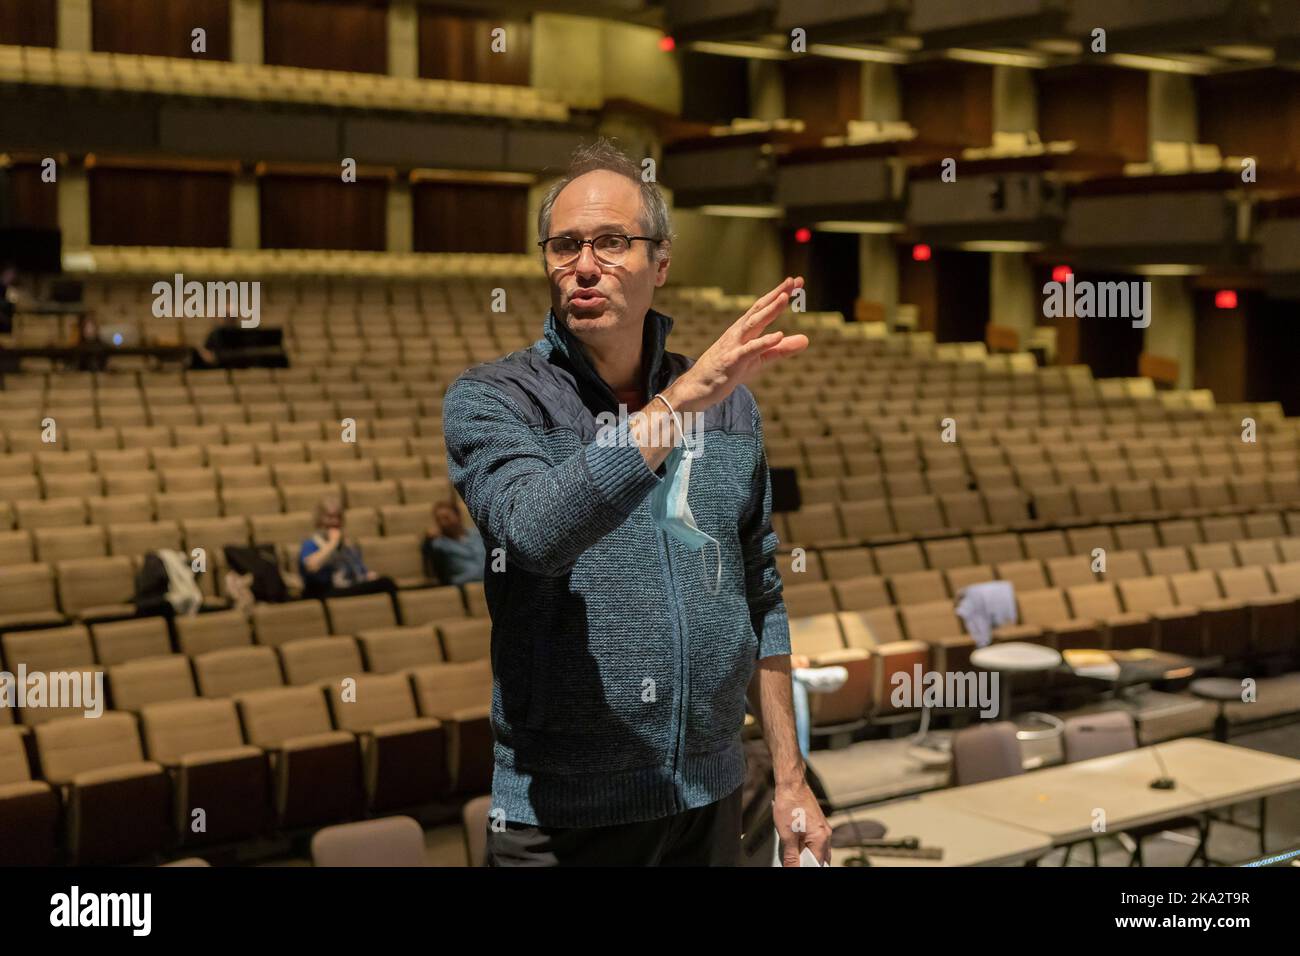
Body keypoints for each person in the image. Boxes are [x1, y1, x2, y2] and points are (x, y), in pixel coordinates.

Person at [442, 138, 827, 866]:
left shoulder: (731, 409)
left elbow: (759, 593)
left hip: (709, 803)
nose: (584, 264)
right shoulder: (494, 399)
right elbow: (535, 534)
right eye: (564, 245)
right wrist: (679, 402)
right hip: (563, 819)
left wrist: (790, 777)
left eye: (612, 242)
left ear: (661, 262)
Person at [299, 495, 396, 600]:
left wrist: (368, 575)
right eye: (330, 517)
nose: (335, 522)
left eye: (338, 517)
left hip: (349, 587)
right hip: (325, 592)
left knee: (384, 582)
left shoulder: (347, 546)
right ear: (319, 519)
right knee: (386, 583)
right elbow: (310, 566)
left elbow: (360, 570)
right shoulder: (311, 543)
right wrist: (332, 543)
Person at [422, 500, 486, 586]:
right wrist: (427, 541)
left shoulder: (478, 534)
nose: (443, 523)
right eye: (438, 520)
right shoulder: (438, 544)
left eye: (446, 518)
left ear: (458, 516)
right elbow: (431, 572)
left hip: (490, 583)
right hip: (465, 585)